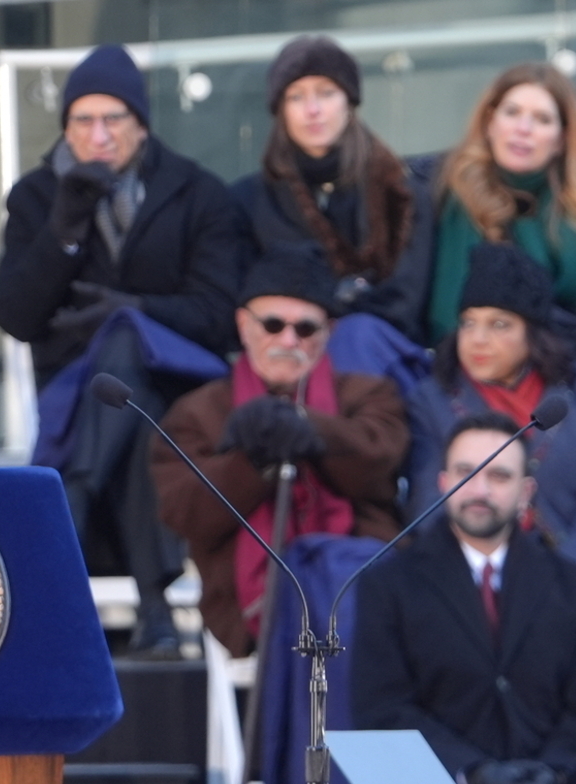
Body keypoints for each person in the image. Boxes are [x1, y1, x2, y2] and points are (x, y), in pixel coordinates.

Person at [0, 44, 244, 655]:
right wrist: (66, 228)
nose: (98, 135)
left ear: (141, 125)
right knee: (137, 420)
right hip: (78, 397)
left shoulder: (197, 194)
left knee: (129, 344)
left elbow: (219, 314)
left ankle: (70, 505)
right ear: (66, 127)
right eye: (83, 121)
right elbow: (17, 316)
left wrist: (135, 310)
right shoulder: (34, 198)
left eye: (113, 120)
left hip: (179, 384)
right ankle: (154, 608)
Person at [151, 243, 408, 658]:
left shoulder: (368, 394)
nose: (288, 340)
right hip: (249, 606)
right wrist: (253, 461)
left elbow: (378, 469)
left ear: (329, 333)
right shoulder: (197, 411)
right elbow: (185, 512)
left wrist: (308, 428)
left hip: (362, 591)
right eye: (272, 324)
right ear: (242, 325)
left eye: (305, 329)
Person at [353, 413, 576, 784]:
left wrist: (554, 774)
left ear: (526, 491)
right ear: (442, 483)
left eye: (499, 476)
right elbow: (381, 710)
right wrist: (470, 773)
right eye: (466, 472)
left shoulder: (567, 583)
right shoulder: (388, 584)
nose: (480, 490)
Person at [233, 35, 434, 345]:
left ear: (348, 102)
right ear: (280, 110)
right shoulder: (248, 201)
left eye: (326, 93)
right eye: (296, 97)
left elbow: (407, 302)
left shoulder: (403, 193)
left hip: (378, 359)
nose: (312, 110)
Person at [407, 242, 576, 557]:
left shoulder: (568, 399)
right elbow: (428, 509)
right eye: (468, 323)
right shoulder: (431, 402)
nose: (477, 339)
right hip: (469, 578)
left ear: (533, 333)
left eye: (499, 324)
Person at [428, 62, 576, 344]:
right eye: (512, 113)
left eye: (542, 119)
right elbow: (445, 312)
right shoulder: (449, 192)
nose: (523, 128)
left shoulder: (569, 210)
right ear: (489, 122)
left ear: (560, 139)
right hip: (464, 370)